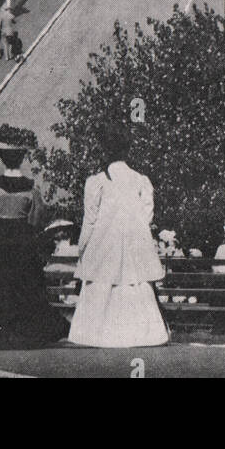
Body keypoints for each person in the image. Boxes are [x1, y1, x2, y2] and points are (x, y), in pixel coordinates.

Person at [68, 123, 169, 348]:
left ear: (104, 150)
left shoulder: (97, 182)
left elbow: (90, 221)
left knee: (102, 284)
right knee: (136, 284)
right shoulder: (141, 180)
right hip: (134, 244)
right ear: (128, 149)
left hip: (103, 246)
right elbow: (147, 217)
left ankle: (100, 335)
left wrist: (82, 250)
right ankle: (140, 334)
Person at [0, 156, 70, 349]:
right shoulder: (31, 187)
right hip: (23, 244)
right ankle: (27, 335)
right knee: (27, 288)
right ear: (21, 159)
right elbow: (36, 220)